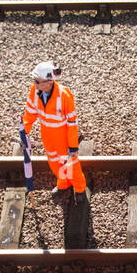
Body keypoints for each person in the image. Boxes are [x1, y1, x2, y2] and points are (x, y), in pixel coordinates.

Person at [23, 61, 87, 200]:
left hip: (62, 135)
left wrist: (72, 145)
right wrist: (24, 131)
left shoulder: (64, 95)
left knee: (70, 164)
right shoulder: (35, 91)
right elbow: (30, 112)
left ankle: (80, 189)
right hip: (46, 134)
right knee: (54, 162)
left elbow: (72, 122)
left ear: (49, 81)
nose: (35, 84)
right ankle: (63, 184)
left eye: (37, 81)